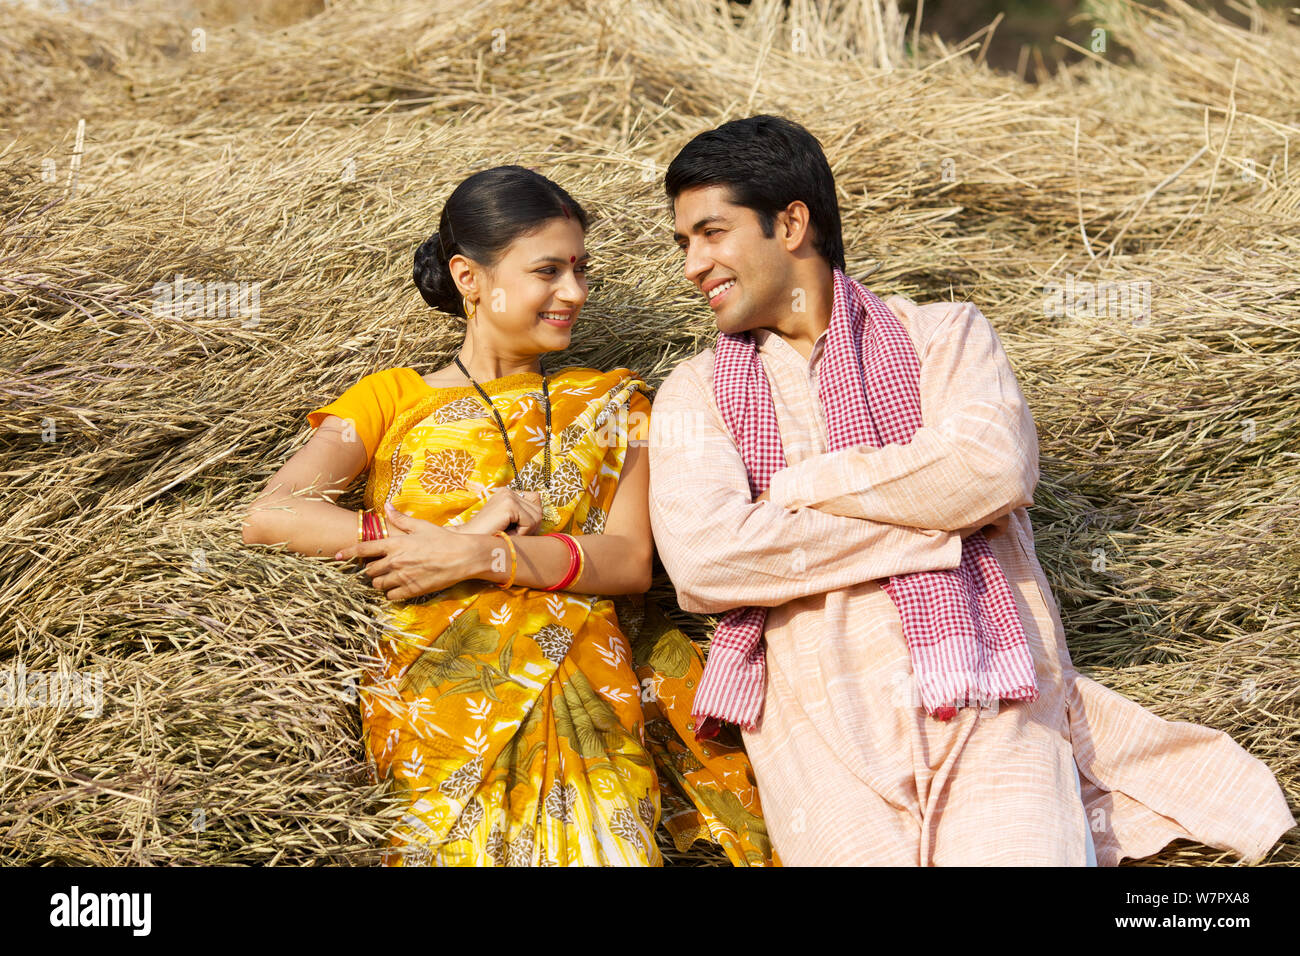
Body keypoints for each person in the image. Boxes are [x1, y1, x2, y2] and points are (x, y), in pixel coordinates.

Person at [646, 115, 1297, 866]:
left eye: (711, 232)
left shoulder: (944, 335)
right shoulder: (696, 395)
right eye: (683, 243)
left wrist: (800, 487)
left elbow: (988, 471)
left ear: (791, 223)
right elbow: (705, 561)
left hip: (994, 702)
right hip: (821, 742)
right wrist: (939, 528)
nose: (693, 263)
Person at [241, 165, 775, 866]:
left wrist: (483, 556)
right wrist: (439, 540)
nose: (574, 293)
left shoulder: (615, 405)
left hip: (586, 699)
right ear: (470, 278)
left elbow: (627, 560)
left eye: (581, 270)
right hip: (435, 702)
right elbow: (273, 515)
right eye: (548, 270)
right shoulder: (387, 400)